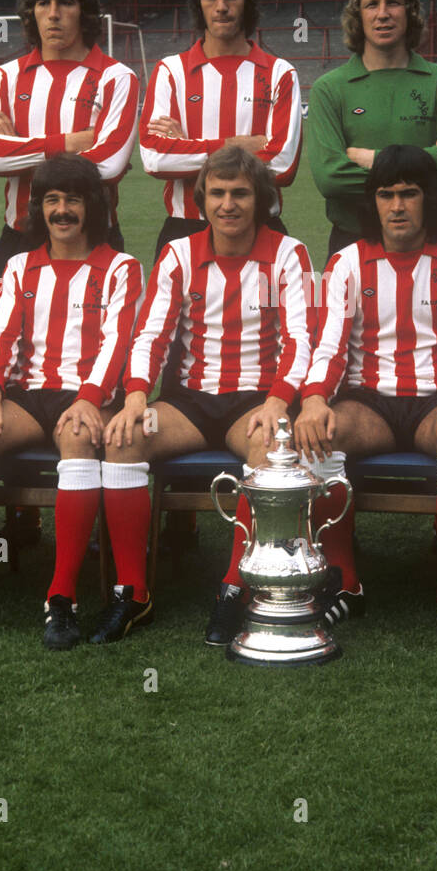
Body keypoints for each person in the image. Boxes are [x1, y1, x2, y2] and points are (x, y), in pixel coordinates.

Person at [0, 157, 142, 650]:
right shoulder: (20, 266)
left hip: (90, 395)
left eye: (73, 200)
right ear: (37, 208)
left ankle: (61, 598)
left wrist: (88, 398)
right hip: (26, 396)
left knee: (79, 437)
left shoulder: (121, 267)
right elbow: (1, 333)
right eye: (51, 201)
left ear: (93, 206)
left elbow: (118, 342)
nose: (62, 211)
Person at [101, 146, 313, 646]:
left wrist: (278, 402)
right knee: (124, 441)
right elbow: (152, 334)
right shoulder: (179, 253)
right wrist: (135, 397)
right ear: (202, 200)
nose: (228, 203)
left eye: (240, 193)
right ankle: (133, 592)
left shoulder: (289, 253)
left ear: (261, 200)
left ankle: (233, 589)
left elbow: (301, 338)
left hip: (257, 401)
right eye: (217, 193)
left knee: (272, 452)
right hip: (190, 402)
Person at [294, 145, 437, 639]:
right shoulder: (345, 263)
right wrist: (316, 398)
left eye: (409, 193)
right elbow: (328, 346)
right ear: (374, 202)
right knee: (322, 433)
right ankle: (345, 583)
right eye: (386, 195)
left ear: (429, 198)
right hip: (371, 402)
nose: (398, 206)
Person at [0, 0, 139, 308]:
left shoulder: (117, 78)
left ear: (85, 11)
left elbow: (108, 164)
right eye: (43, 2)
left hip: (95, 238)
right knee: (11, 348)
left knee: (100, 349)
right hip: (20, 238)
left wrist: (17, 147)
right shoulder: (5, 77)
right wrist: (70, 144)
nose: (53, 14)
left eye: (65, 2)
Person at [307, 0, 437, 257]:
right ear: (357, 16)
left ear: (410, 11)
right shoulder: (329, 89)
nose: (383, 14)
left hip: (430, 244)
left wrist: (373, 159)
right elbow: (331, 178)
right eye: (372, 4)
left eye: (393, 3)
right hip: (353, 243)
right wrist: (426, 167)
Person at [138, 0, 302, 258]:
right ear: (198, 3)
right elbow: (155, 157)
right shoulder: (170, 71)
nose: (221, 7)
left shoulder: (280, 73)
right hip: (185, 229)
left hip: (261, 228)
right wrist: (237, 145)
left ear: (248, 1)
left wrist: (187, 147)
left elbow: (282, 165)